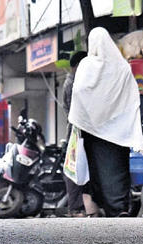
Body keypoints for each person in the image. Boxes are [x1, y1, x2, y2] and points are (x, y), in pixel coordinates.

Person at [68, 27, 143, 217]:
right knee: (118, 169)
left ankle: (102, 206)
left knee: (97, 170)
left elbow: (79, 93)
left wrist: (86, 118)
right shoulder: (122, 67)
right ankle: (120, 207)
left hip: (92, 131)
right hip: (119, 132)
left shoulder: (86, 66)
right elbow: (131, 99)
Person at [62, 51, 98, 217]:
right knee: (75, 170)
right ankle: (76, 208)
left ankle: (83, 206)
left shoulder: (75, 81)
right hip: (77, 132)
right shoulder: (73, 83)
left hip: (81, 131)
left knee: (80, 170)